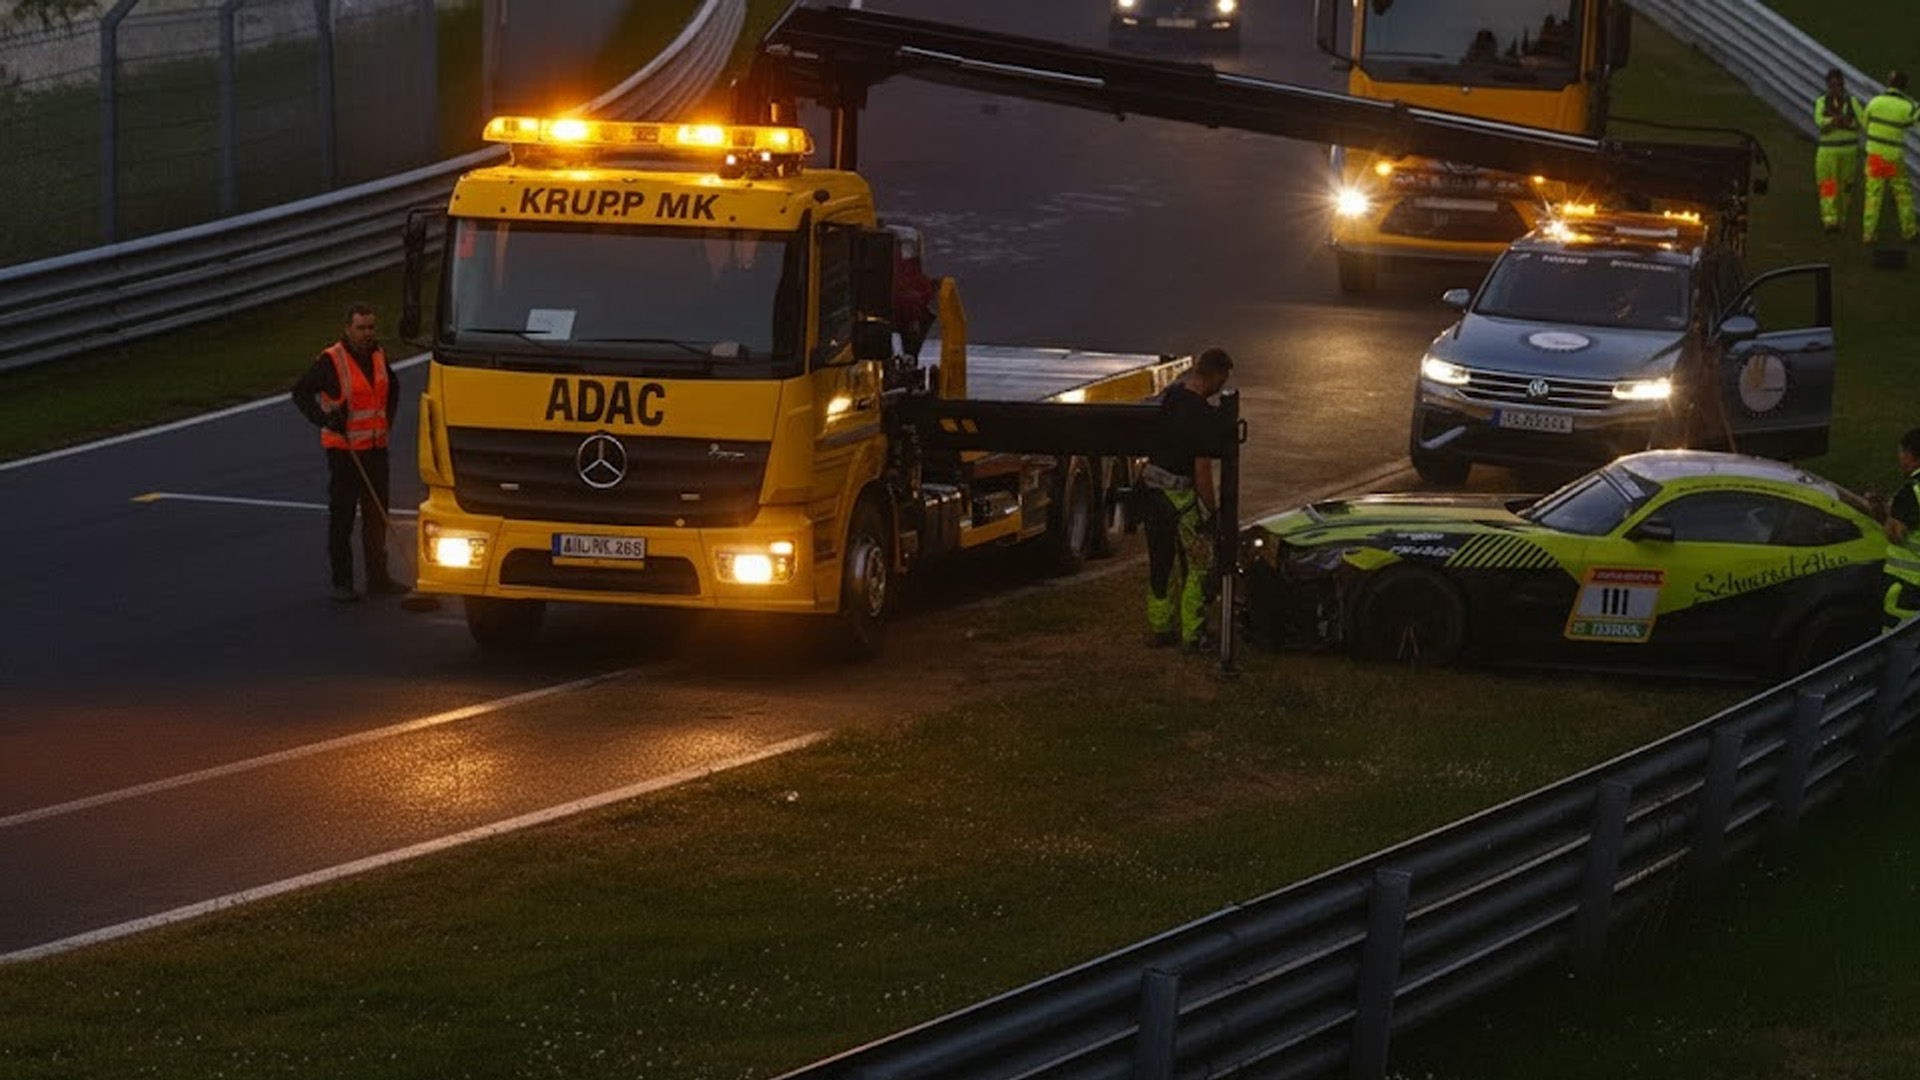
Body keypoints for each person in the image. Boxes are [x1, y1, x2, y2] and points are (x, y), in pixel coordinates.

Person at [291, 303, 406, 602]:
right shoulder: (331, 360)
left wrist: (386, 423)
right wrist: (325, 419)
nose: (367, 333)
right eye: (361, 328)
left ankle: (378, 578)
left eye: (371, 327)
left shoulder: (378, 355)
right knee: (342, 517)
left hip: (376, 449)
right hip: (345, 452)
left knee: (376, 517)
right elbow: (300, 392)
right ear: (348, 329)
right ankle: (342, 582)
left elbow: (392, 389)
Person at [1142, 347, 1234, 653]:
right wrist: (1212, 511)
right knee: (1200, 563)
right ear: (1216, 375)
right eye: (1224, 379)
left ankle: (1160, 628)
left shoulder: (1172, 396)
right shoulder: (1202, 415)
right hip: (1179, 498)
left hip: (1152, 491)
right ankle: (1193, 633)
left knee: (1161, 564)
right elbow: (1202, 469)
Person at [1862, 70, 1919, 245]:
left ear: (1889, 83)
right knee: (1902, 194)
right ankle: (1909, 231)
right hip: (1894, 156)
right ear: (1904, 86)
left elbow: (1864, 123)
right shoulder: (1907, 106)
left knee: (1873, 195)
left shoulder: (1875, 102)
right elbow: (1915, 121)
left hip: (1875, 155)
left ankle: (1869, 234)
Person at [1814, 67, 1865, 235]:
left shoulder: (1852, 101)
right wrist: (1834, 121)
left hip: (1848, 150)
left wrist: (1847, 124)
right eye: (1832, 85)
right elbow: (1819, 120)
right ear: (1828, 85)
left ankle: (1841, 219)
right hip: (1828, 150)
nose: (1835, 88)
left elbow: (1863, 121)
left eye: (1838, 84)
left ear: (1842, 84)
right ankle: (1830, 220)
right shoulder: (1822, 101)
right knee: (1828, 184)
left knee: (1845, 187)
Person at [1882, 429, 1920, 629]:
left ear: (1911, 455)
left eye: (1901, 453)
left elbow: (1895, 534)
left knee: (1899, 641)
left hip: (1910, 586)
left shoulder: (1909, 493)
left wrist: (1885, 516)